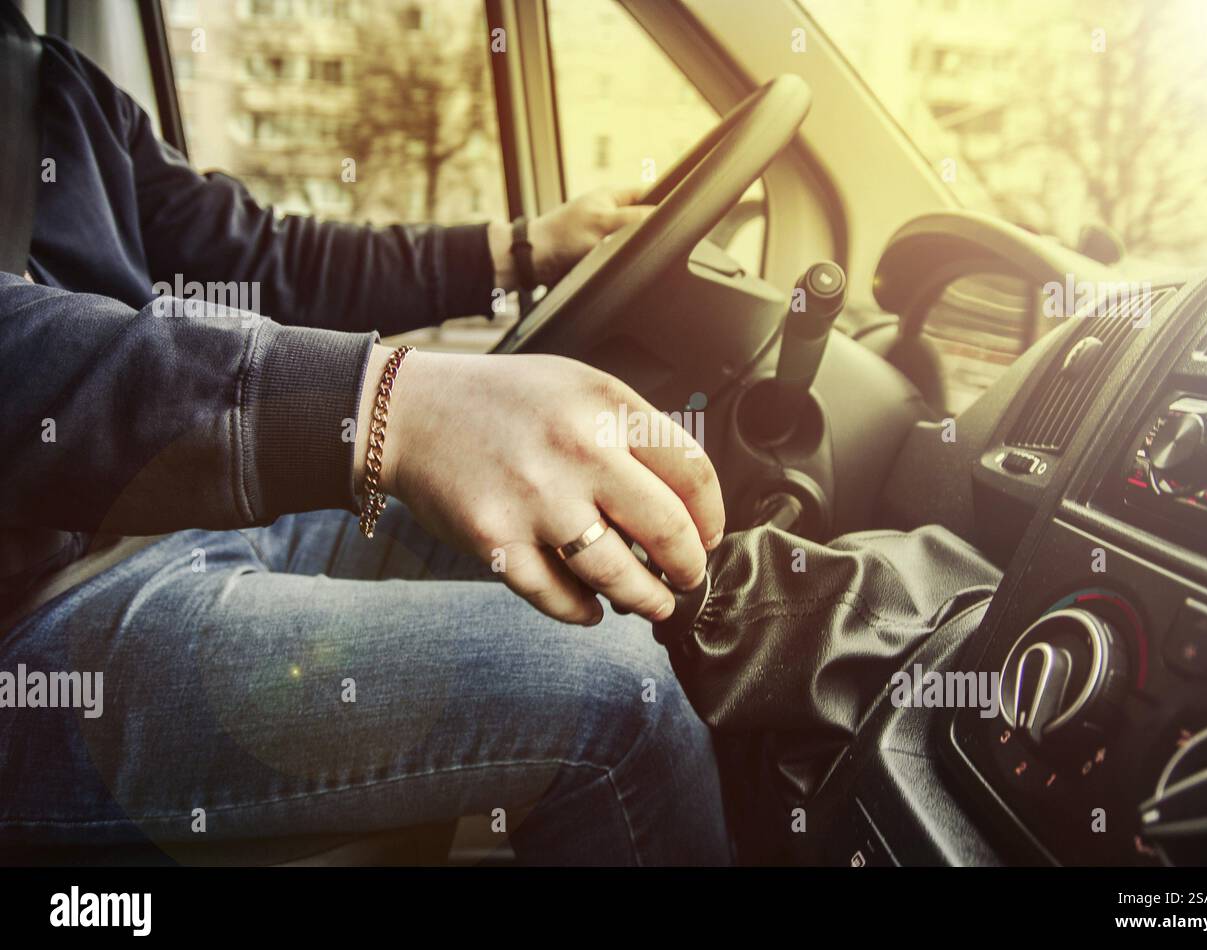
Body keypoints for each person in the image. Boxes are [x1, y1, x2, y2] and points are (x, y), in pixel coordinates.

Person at [0, 20, 730, 865]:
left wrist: (518, 249)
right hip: (35, 619)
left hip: (182, 518)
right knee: (618, 696)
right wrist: (387, 402)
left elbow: (254, 256)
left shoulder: (55, 81)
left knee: (622, 552)